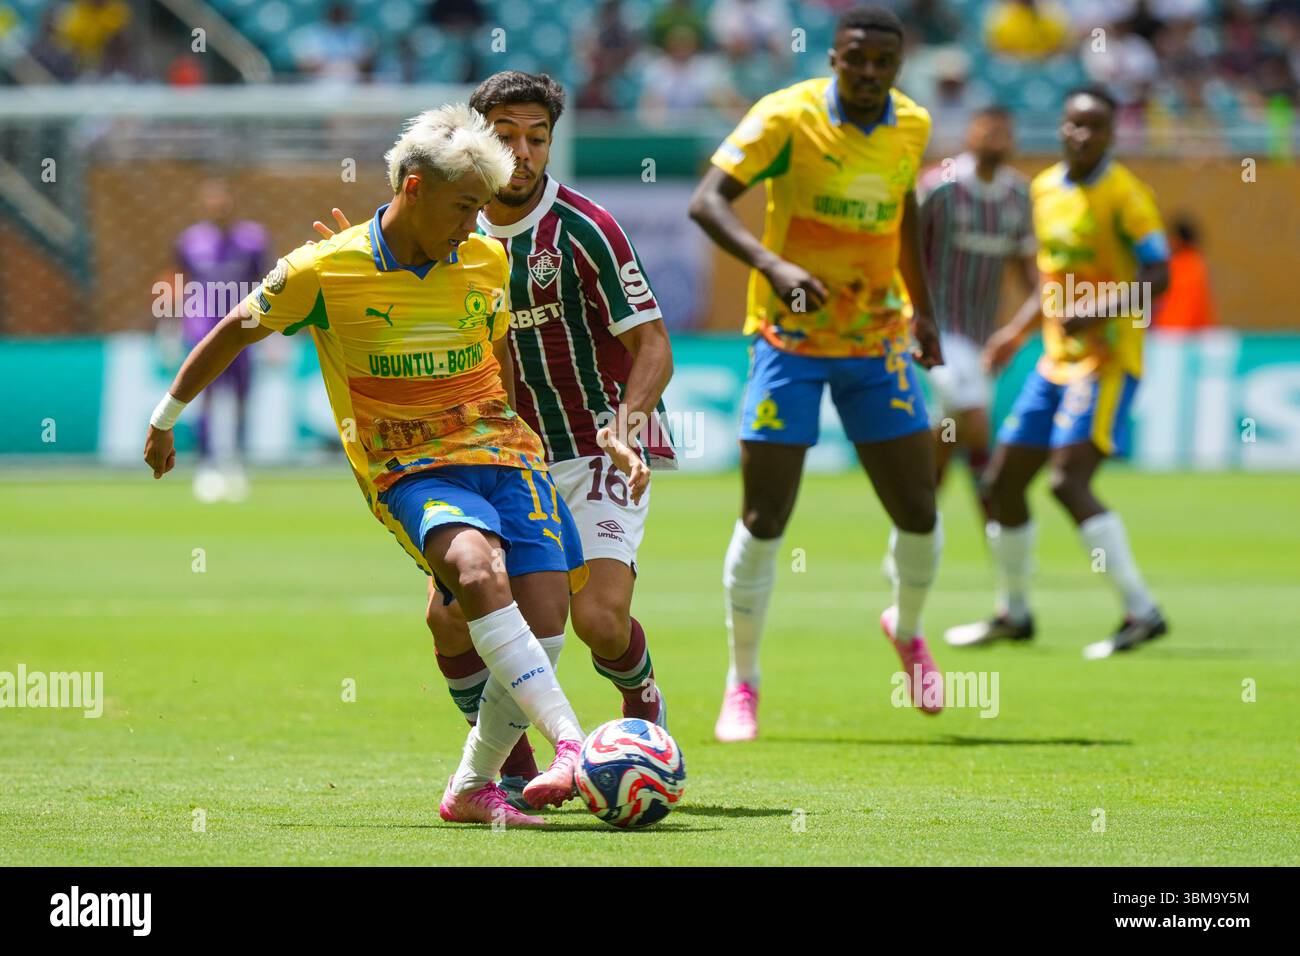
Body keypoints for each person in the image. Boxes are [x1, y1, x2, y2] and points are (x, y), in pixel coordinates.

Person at [144, 105, 644, 826]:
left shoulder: (484, 258)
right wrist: (165, 419)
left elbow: (495, 353)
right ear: (413, 187)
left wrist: (520, 436)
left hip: (506, 454)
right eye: (466, 206)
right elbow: (233, 331)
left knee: (544, 625)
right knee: (476, 571)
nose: (476, 224)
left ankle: (473, 789)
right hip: (409, 467)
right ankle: (572, 744)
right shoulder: (323, 268)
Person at [315, 72, 676, 809]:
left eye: (536, 138)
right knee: (449, 615)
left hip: (590, 446)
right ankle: (511, 768)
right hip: (488, 454)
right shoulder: (449, 225)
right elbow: (375, 282)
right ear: (474, 139)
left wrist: (628, 426)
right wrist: (347, 266)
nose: (521, 152)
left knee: (600, 621)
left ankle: (642, 715)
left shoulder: (586, 228)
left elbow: (654, 345)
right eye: (505, 137)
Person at [688, 4, 947, 742]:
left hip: (876, 340)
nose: (869, 73)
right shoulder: (785, 117)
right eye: (855, 58)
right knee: (766, 518)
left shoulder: (912, 125)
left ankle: (909, 626)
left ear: (897, 68)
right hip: (788, 340)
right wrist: (775, 265)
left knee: (920, 512)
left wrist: (923, 311)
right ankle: (744, 681)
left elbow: (901, 214)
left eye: (883, 63)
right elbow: (705, 202)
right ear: (833, 57)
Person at [945, 86, 1171, 658]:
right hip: (1053, 363)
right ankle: (1014, 613)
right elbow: (1047, 282)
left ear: (1111, 134)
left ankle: (1141, 610)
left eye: (1093, 126)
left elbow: (1159, 275)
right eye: (1072, 124)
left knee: (1068, 481)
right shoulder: (1043, 189)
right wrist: (1018, 331)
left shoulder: (1127, 196)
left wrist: (1094, 311)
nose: (1080, 135)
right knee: (1002, 483)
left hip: (1108, 361)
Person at [915, 107, 1037, 514]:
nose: (997, 137)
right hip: (936, 330)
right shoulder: (939, 186)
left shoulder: (1019, 195)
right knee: (975, 419)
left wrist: (1028, 324)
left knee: (949, 433)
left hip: (984, 336)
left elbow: (1030, 274)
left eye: (1005, 130)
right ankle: (998, 519)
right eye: (989, 129)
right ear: (970, 133)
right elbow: (905, 250)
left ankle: (917, 515)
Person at [170, 178, 268, 503]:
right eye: (212, 202)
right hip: (201, 332)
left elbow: (267, 284)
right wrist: (170, 327)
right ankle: (206, 466)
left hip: (242, 332)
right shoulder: (190, 241)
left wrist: (276, 333)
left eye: (223, 201)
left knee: (241, 399)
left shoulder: (252, 241)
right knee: (204, 398)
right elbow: (178, 281)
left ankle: (236, 462)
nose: (218, 207)